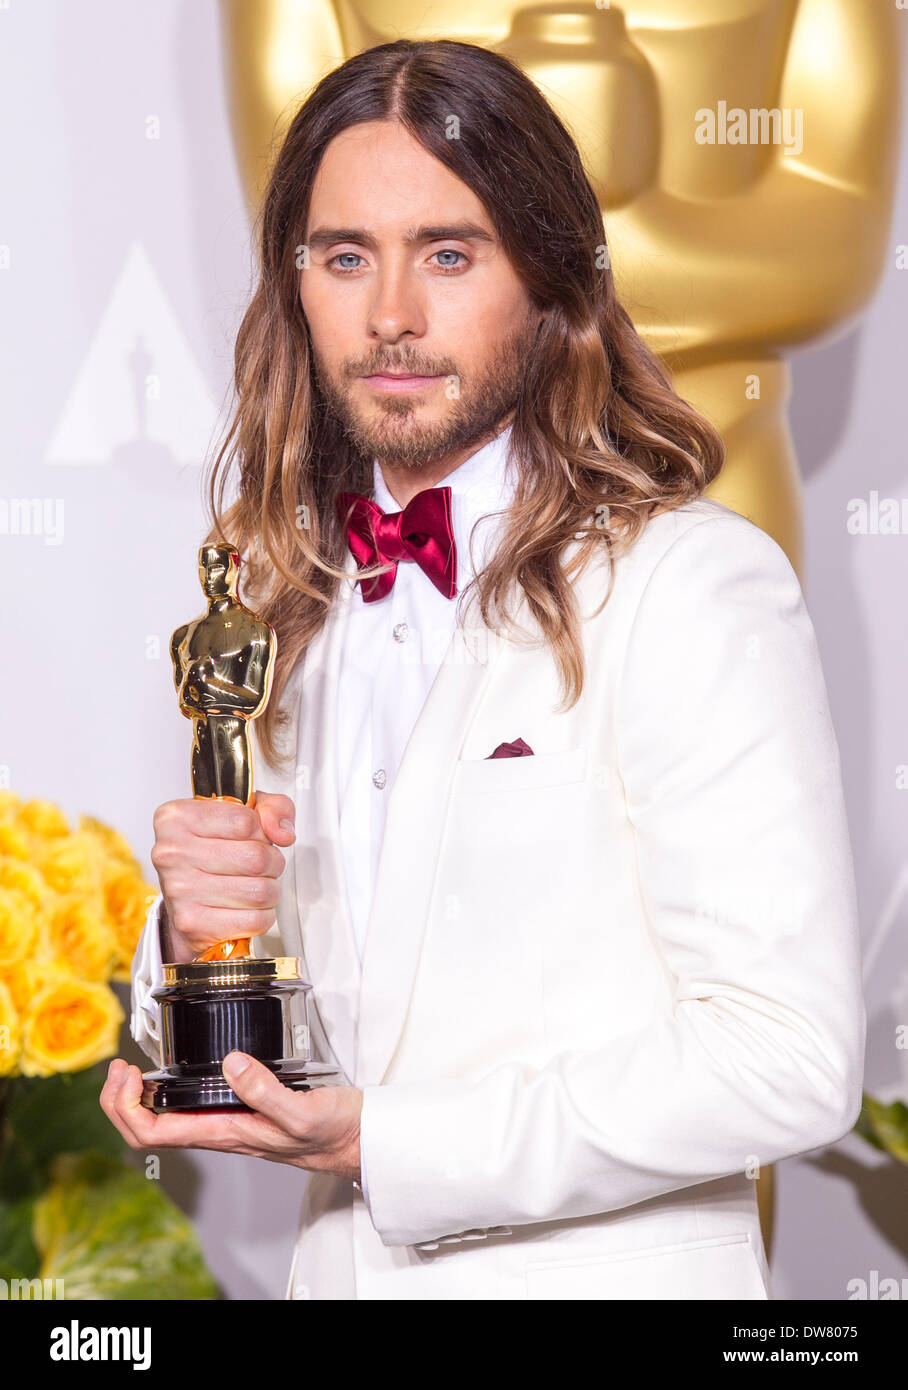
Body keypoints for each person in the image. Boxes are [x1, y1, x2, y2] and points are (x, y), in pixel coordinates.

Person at [102, 39, 865, 1301]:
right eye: (345, 255)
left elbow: (783, 1057)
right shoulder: (280, 603)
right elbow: (340, 1021)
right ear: (295, 285)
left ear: (551, 283)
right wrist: (196, 928)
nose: (390, 312)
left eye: (448, 254)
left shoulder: (689, 585)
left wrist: (384, 1143)